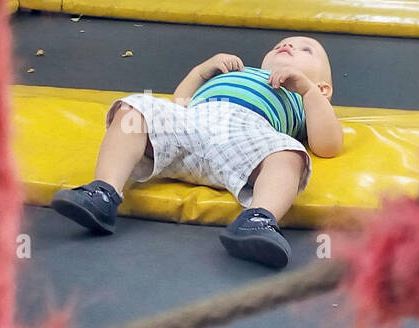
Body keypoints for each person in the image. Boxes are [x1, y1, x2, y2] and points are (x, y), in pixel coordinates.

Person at [51, 36, 343, 268]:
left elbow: (327, 146)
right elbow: (179, 104)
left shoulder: (305, 97)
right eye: (281, 44)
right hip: (192, 125)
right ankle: (103, 193)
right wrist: (200, 71)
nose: (288, 45)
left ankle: (259, 219)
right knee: (135, 109)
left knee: (289, 153)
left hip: (246, 139)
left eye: (306, 49)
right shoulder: (238, 74)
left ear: (324, 87)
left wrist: (307, 91)